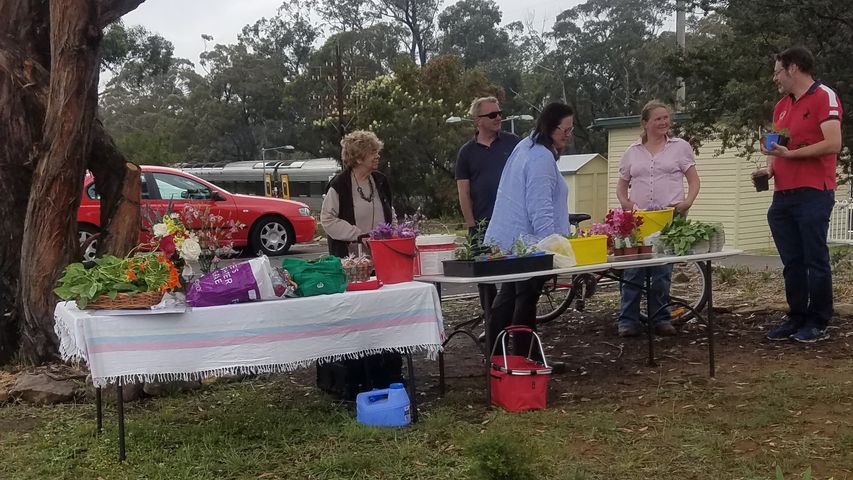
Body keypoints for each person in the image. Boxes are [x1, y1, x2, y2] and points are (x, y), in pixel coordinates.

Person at [761, 46, 842, 343]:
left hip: (813, 191)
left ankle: (818, 320)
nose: (775, 78)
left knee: (814, 258)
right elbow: (776, 144)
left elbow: (833, 143)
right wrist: (770, 166)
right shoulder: (781, 105)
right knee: (792, 261)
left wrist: (790, 155)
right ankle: (796, 316)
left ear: (793, 68)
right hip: (783, 194)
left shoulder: (824, 97)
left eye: (777, 71)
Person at [484, 102, 573, 355]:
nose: (567, 135)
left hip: (512, 238)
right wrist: (551, 245)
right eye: (564, 130)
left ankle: (496, 355)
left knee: (509, 296)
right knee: (525, 298)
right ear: (550, 127)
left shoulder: (526, 145)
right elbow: (539, 205)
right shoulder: (540, 157)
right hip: (528, 243)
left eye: (570, 130)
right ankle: (524, 359)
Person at [615, 100, 701, 338]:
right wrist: (627, 204)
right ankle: (628, 320)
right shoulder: (632, 152)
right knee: (634, 270)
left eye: (666, 118)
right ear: (645, 123)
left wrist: (686, 202)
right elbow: (621, 187)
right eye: (658, 119)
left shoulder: (680, 147)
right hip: (640, 220)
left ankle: (660, 318)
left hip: (669, 217)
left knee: (662, 271)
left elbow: (694, 180)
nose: (664, 122)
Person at [455, 97, 521, 312]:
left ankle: (513, 320)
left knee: (516, 277)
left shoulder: (513, 143)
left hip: (513, 223)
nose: (499, 118)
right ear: (478, 120)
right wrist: (472, 225)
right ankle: (492, 322)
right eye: (492, 115)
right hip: (482, 224)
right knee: (486, 280)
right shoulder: (466, 153)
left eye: (500, 113)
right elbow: (463, 193)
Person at [321, 130, 393, 258]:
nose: (377, 156)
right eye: (372, 153)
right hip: (352, 262)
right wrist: (358, 235)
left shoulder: (381, 181)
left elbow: (390, 214)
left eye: (377, 152)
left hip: (383, 256)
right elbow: (327, 219)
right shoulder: (340, 184)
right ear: (359, 158)